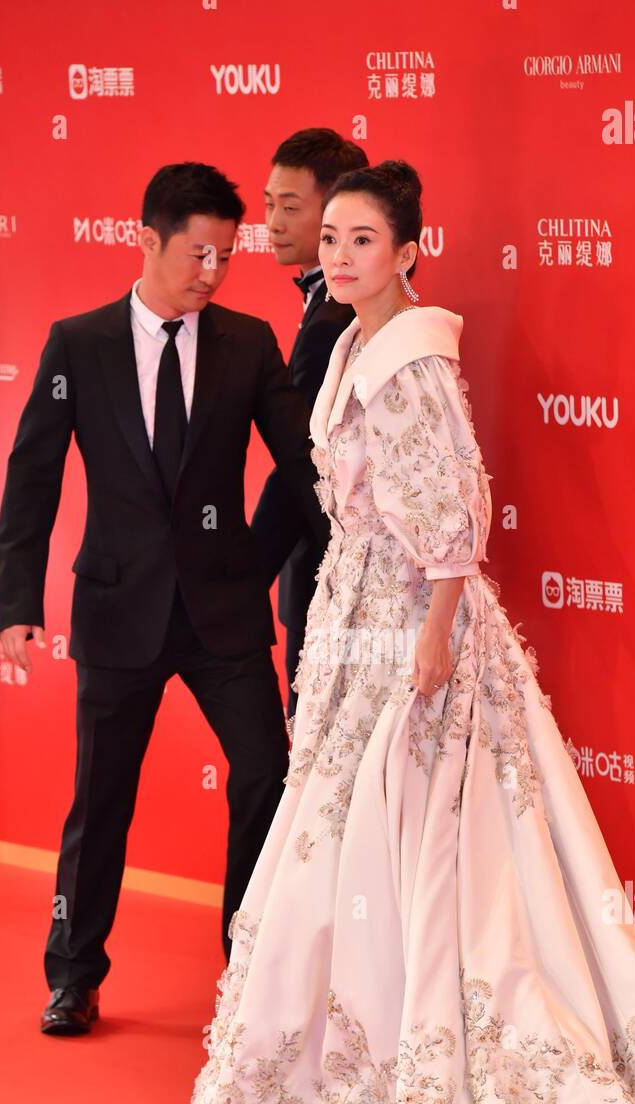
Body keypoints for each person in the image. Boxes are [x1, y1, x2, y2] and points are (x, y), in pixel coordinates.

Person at [180, 160, 635, 1104]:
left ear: (410, 250)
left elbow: (458, 507)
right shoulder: (355, 339)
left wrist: (430, 633)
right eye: (330, 240)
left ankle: (410, 1067)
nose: (337, 256)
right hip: (357, 606)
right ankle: (339, 1068)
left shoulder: (412, 355)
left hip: (415, 618)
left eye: (362, 241)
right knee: (348, 832)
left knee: (412, 840)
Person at [0, 162, 329, 1033]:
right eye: (197, 253)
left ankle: (247, 968)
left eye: (225, 256)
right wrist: (15, 602)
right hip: (116, 609)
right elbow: (33, 476)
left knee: (265, 773)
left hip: (220, 614)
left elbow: (302, 467)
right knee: (101, 796)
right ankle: (73, 974)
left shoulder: (249, 343)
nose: (211, 273)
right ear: (148, 240)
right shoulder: (79, 344)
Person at [253, 128, 368, 721]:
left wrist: (245, 576)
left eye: (290, 207)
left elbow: (305, 462)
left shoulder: (334, 319)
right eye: (269, 203)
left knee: (321, 747)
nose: (271, 220)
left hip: (332, 572)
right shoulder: (338, 305)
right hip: (333, 568)